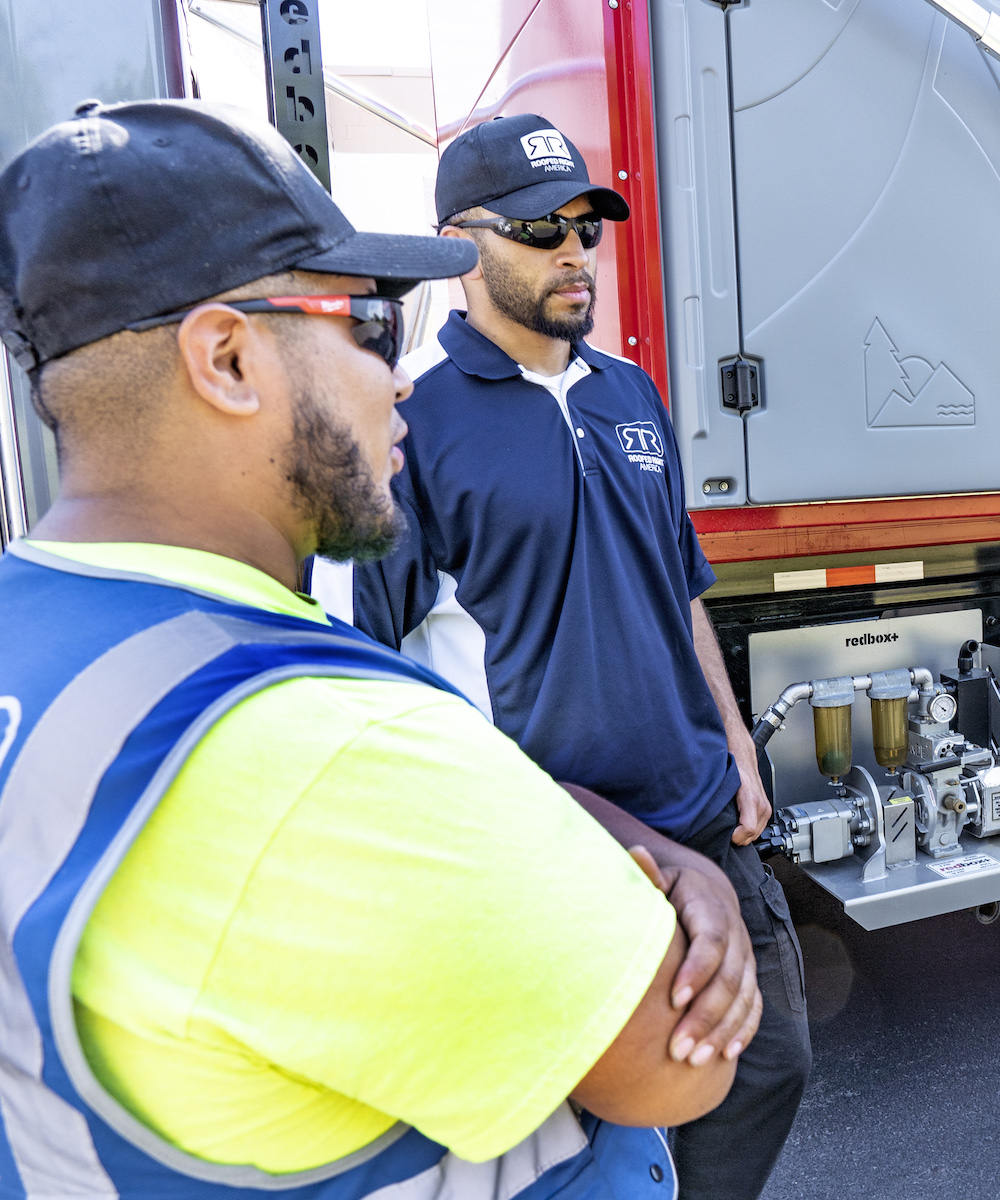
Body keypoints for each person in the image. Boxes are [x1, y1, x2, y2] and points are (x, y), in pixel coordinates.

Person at [0, 99, 762, 1198]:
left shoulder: (54, 629)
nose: (394, 380)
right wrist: (687, 886)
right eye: (367, 328)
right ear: (224, 358)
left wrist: (689, 824)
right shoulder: (322, 745)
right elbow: (671, 1069)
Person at [313, 113, 807, 1200]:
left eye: (588, 226)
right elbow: (367, 660)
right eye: (541, 230)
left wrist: (733, 739)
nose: (575, 251)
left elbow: (679, 586)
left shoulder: (630, 395)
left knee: (769, 1062)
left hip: (693, 809)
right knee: (601, 1114)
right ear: (458, 243)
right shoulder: (415, 423)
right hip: (558, 843)